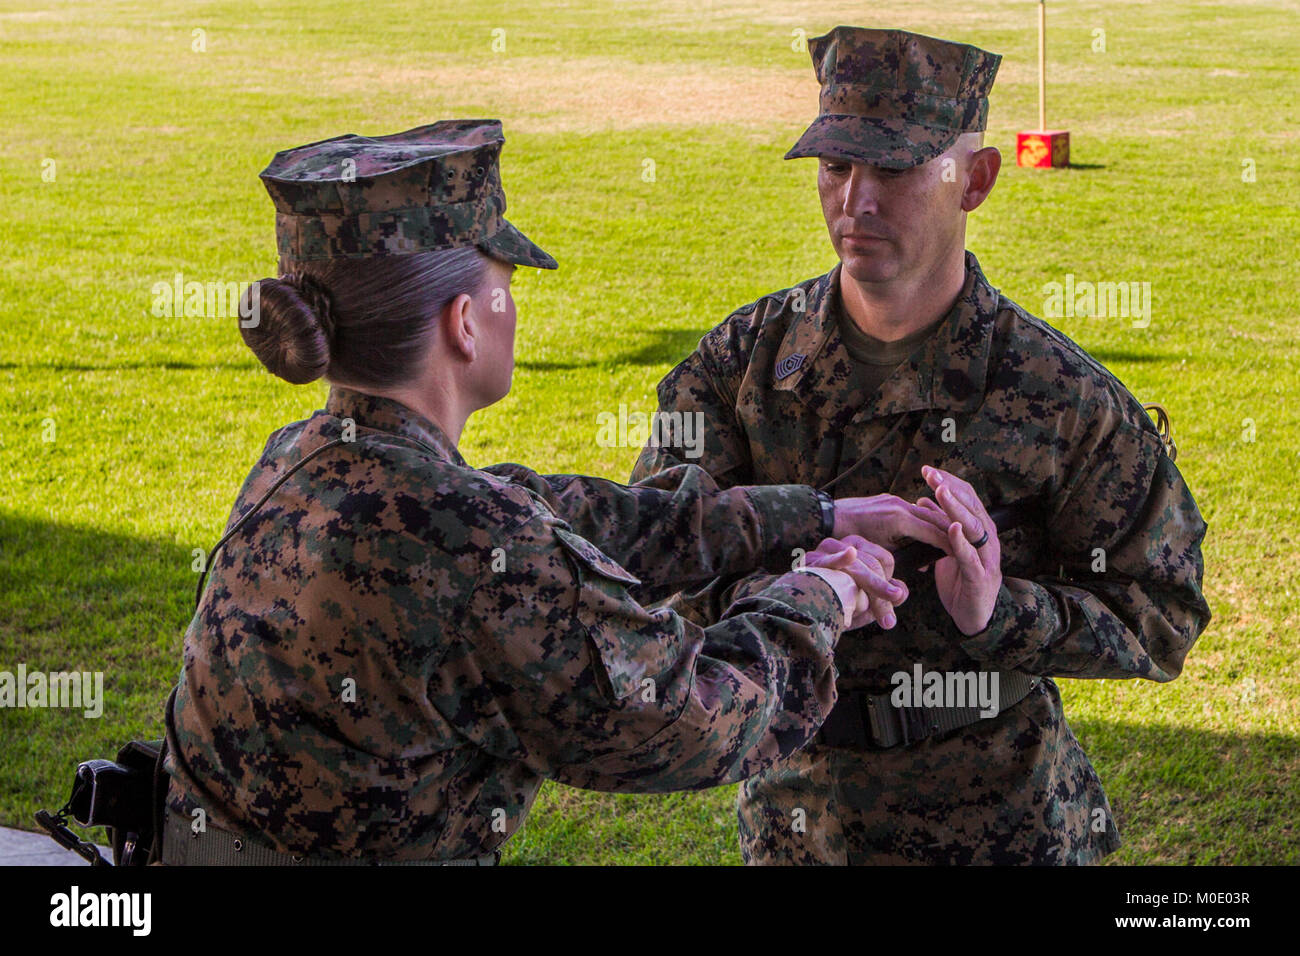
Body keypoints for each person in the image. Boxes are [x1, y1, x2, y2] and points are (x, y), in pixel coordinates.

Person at [161, 119, 944, 865]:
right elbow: (690, 716)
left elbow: (574, 513)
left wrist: (819, 514)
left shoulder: (303, 459)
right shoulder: (465, 542)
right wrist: (823, 593)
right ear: (465, 323)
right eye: (505, 286)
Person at [631, 26, 1212, 865]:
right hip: (801, 822)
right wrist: (797, 584)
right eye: (835, 167)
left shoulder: (1060, 397)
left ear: (973, 180)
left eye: (894, 169)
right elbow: (655, 559)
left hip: (1001, 824)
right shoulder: (739, 363)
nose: (854, 201)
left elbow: (1162, 614)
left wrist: (999, 611)